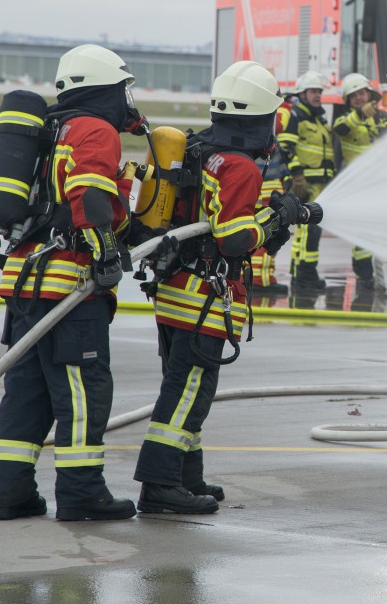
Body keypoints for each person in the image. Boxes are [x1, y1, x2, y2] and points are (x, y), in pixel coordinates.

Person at [132, 61, 307, 514]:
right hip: (204, 298)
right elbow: (234, 239)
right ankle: (159, 485)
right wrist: (277, 219)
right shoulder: (242, 166)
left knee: (185, 387)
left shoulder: (199, 147)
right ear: (260, 117)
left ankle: (187, 478)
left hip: (174, 289)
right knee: (188, 390)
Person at [0, 44, 147, 521]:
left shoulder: (50, 128)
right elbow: (89, 195)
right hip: (68, 285)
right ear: (106, 88)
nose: (127, 99)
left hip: (25, 281)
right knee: (81, 390)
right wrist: (103, 253)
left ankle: (10, 494)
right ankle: (82, 493)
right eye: (123, 88)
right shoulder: (95, 129)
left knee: (26, 392)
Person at [331, 73, 387, 282]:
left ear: (369, 94)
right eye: (353, 96)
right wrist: (361, 115)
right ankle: (364, 274)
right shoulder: (345, 122)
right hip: (360, 188)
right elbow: (340, 129)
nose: (358, 99)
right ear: (348, 101)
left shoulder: (384, 118)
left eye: (361, 94)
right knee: (364, 233)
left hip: (386, 186)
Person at [276, 71, 336, 291]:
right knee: (312, 229)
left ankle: (298, 272)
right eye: (313, 91)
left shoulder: (317, 117)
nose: (317, 95)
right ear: (302, 94)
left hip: (319, 181)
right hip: (307, 182)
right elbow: (287, 147)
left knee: (306, 230)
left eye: (319, 91)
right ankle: (306, 274)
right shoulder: (298, 116)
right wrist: (297, 176)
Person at [249, 92, 295, 296]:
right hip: (265, 188)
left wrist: (286, 177)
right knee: (267, 232)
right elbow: (279, 126)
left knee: (270, 232)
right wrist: (285, 106)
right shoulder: (262, 118)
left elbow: (278, 157)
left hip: (271, 185)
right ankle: (260, 281)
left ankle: (263, 278)